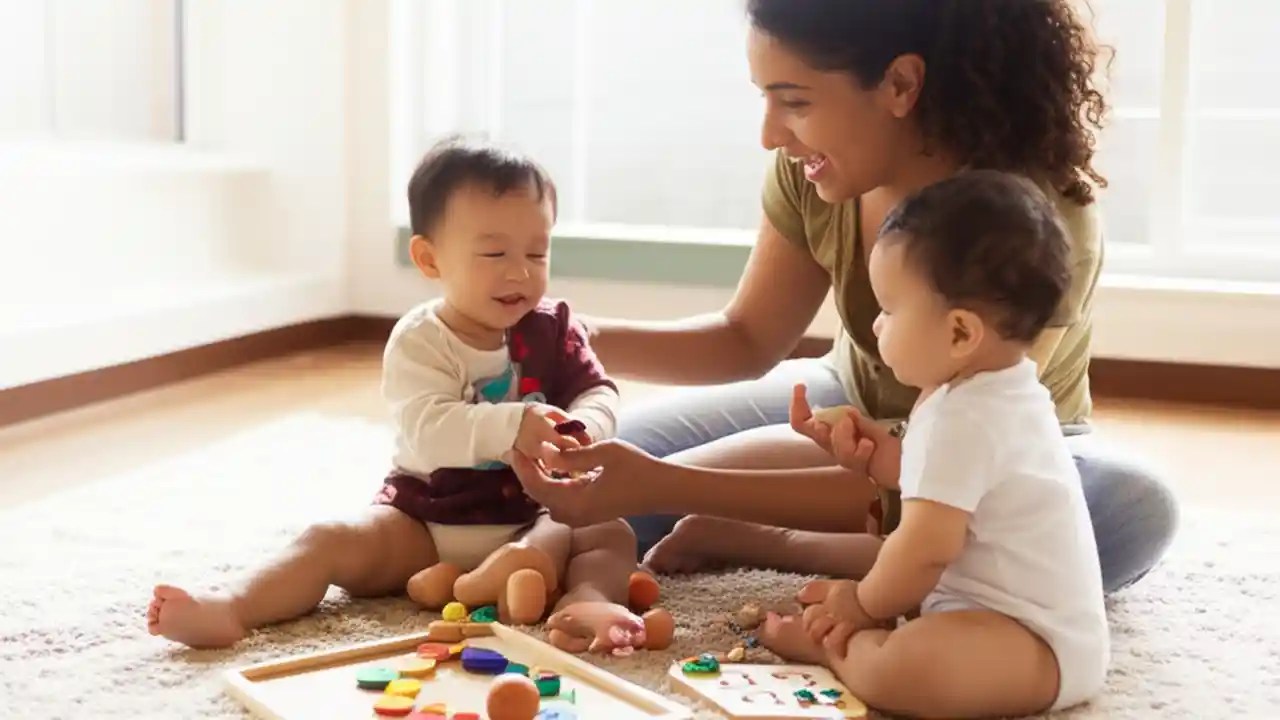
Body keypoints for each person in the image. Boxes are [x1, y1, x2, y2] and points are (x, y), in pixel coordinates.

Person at [513, 0, 1178, 594]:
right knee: (577, 469)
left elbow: (931, 463)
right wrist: (559, 337)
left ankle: (778, 541)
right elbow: (745, 339)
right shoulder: (817, 172)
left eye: (794, 101)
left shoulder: (1035, 221)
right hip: (841, 401)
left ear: (900, 84)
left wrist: (673, 484)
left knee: (1127, 508)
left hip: (997, 455)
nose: (771, 133)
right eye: (766, 99)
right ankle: (845, 545)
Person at [147, 138, 648, 653]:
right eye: (495, 253)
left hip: (538, 518)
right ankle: (235, 605)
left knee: (610, 533)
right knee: (328, 539)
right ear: (430, 259)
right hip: (427, 522)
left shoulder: (555, 329)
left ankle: (583, 601)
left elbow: (598, 390)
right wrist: (514, 424)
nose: (519, 271)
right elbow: (427, 430)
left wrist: (585, 426)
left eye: (537, 252)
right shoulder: (420, 339)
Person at [665, 170, 1112, 716]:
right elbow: (957, 487)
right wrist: (887, 460)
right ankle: (868, 627)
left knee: (908, 667)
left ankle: (842, 650)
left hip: (1033, 645)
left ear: (960, 332)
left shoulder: (965, 416)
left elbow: (927, 548)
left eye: (890, 311)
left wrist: (860, 603)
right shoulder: (998, 390)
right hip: (1001, 622)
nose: (876, 327)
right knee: (909, 606)